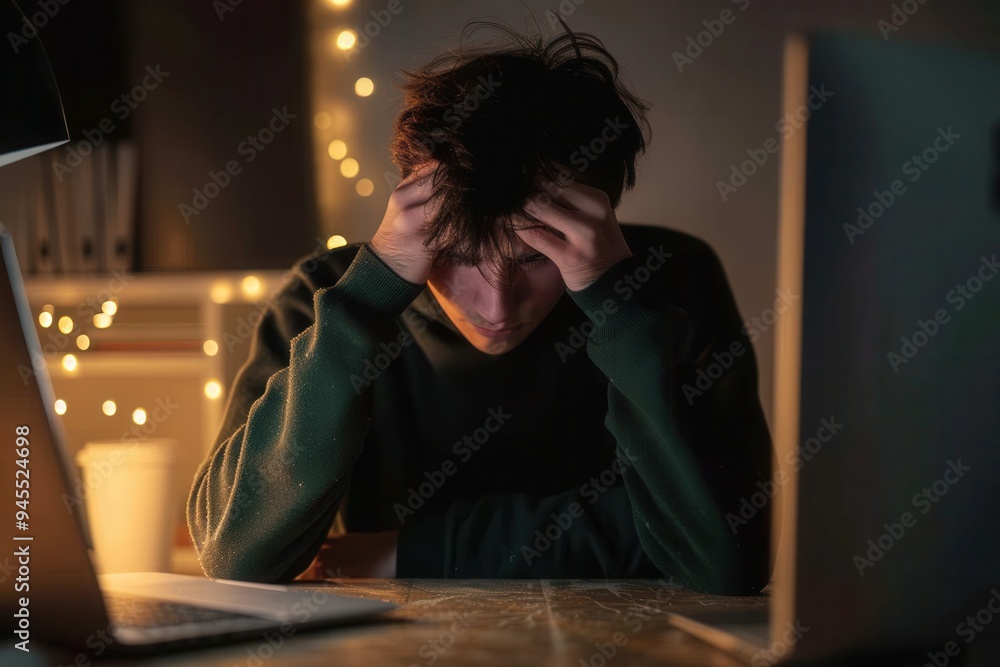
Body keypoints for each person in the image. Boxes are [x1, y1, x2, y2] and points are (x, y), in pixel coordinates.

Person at [186, 22, 774, 595]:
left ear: (602, 217)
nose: (496, 304)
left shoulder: (666, 283)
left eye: (535, 260)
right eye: (460, 255)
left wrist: (405, 551)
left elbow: (725, 558)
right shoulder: (332, 297)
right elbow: (238, 557)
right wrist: (372, 292)